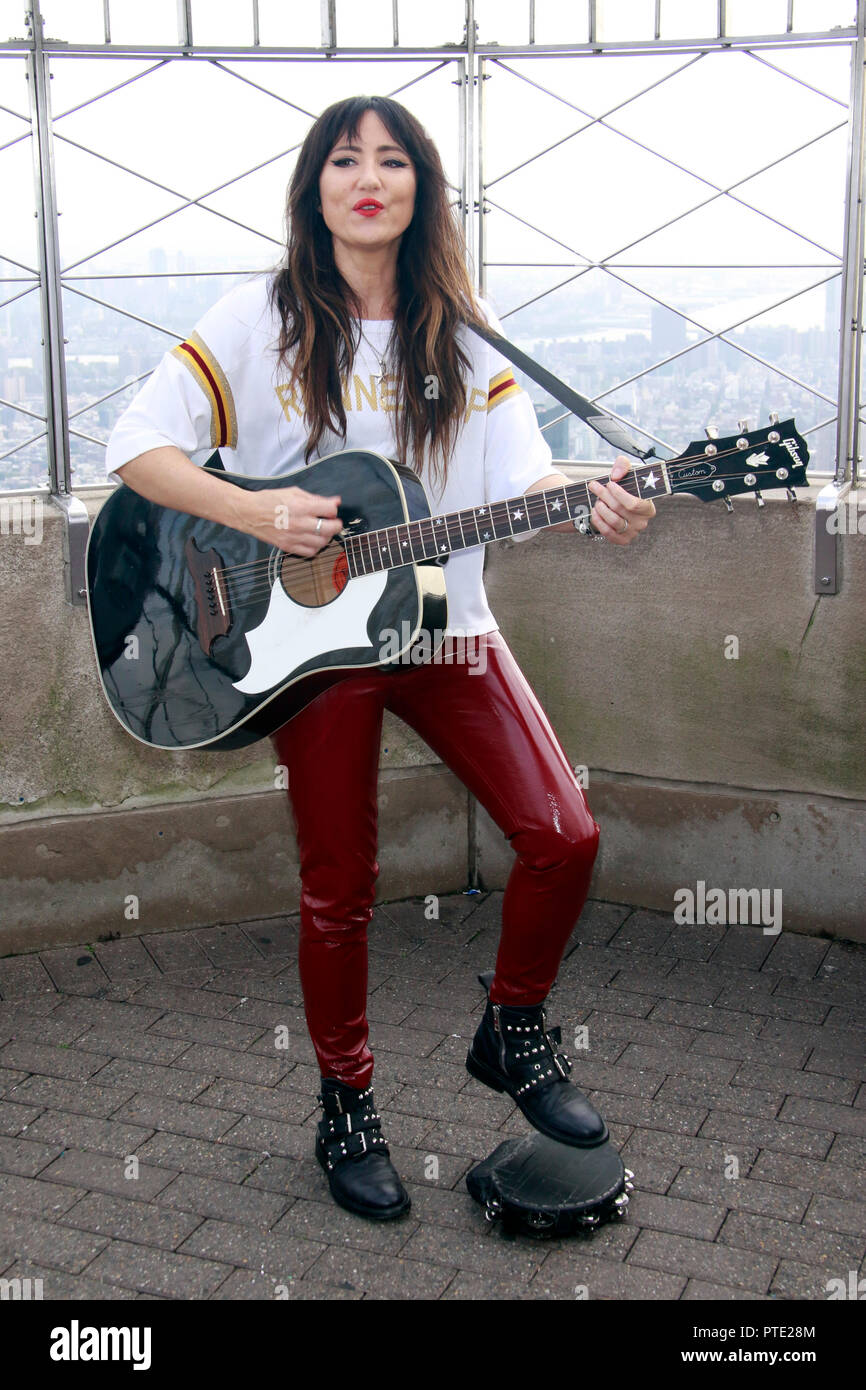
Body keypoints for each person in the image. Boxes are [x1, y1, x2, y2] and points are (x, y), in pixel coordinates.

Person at [105, 95, 656, 1222]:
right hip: (313, 647)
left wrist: (598, 500)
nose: (369, 178)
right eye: (345, 159)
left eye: (393, 160)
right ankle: (346, 1106)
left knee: (563, 834)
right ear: (315, 186)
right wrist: (258, 516)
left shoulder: (465, 330)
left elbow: (523, 479)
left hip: (446, 623)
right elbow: (135, 448)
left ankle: (512, 1028)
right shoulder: (257, 319)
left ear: (422, 188)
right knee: (339, 888)